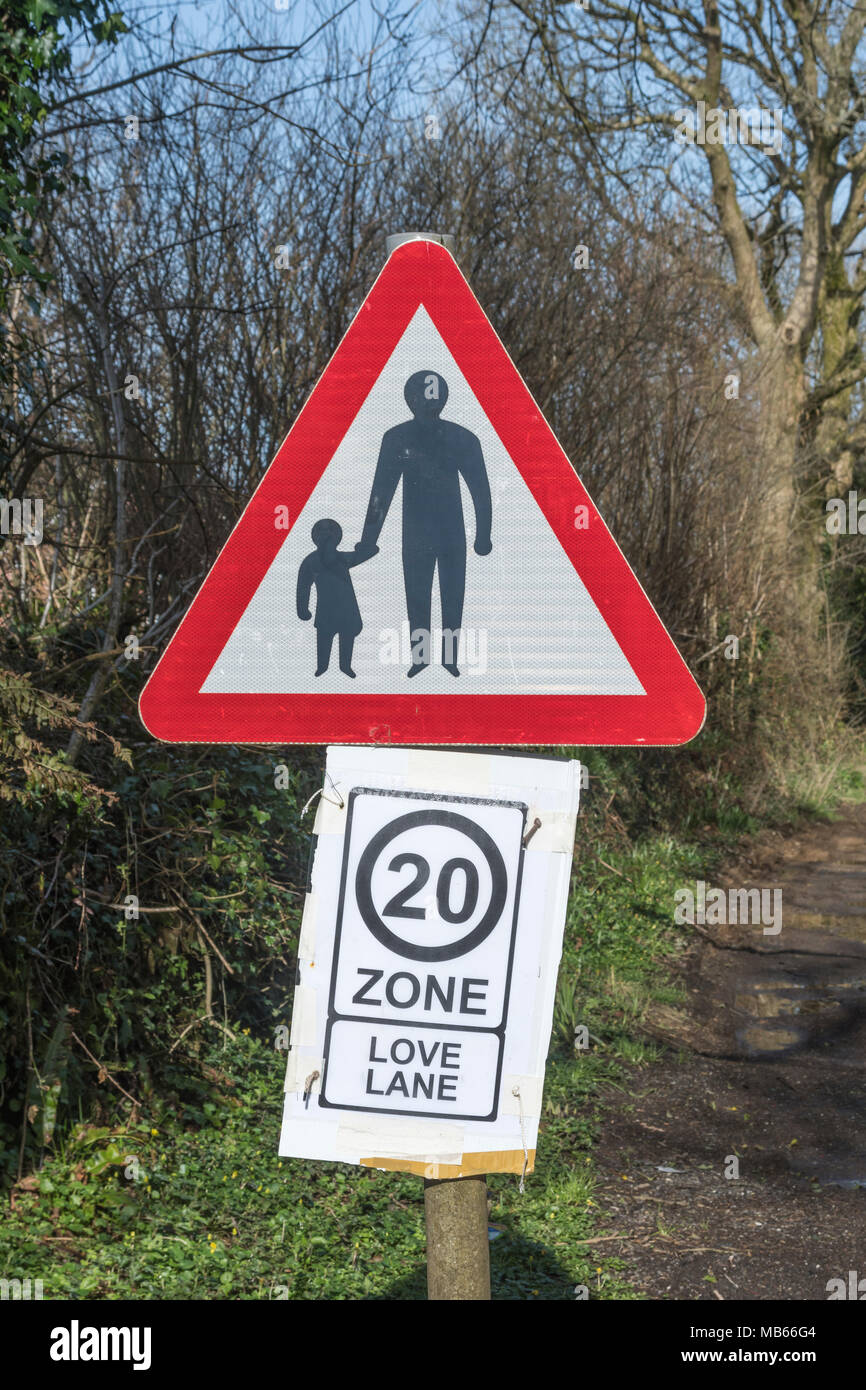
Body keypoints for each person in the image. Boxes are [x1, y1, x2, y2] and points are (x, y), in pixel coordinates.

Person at [355, 370, 492, 677]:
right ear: (410, 399)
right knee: (419, 595)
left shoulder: (461, 439)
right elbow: (381, 492)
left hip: (447, 536)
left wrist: (483, 536)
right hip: (419, 535)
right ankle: (421, 660)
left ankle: (449, 661)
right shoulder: (398, 439)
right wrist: (368, 540)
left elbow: (480, 490)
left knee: (450, 595)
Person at [296, 519, 376, 677]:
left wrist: (367, 547)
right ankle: (322, 667)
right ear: (316, 537)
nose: (326, 535)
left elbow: (361, 555)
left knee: (347, 638)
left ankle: (345, 666)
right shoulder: (311, 561)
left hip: (347, 610)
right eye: (322, 532)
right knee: (324, 639)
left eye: (329, 532)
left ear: (336, 537)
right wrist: (303, 609)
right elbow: (303, 587)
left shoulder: (341, 558)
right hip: (325, 611)